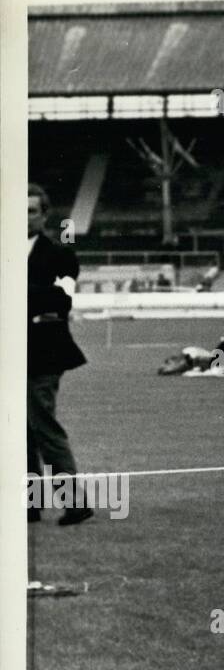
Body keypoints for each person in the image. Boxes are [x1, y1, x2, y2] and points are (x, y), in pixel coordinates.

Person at [27, 183, 92, 526]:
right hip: (15, 350)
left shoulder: (60, 254)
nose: (24, 218)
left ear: (45, 215)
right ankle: (31, 504)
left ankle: (75, 502)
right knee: (22, 429)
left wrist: (26, 296)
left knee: (43, 424)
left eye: (31, 212)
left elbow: (61, 302)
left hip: (45, 353)